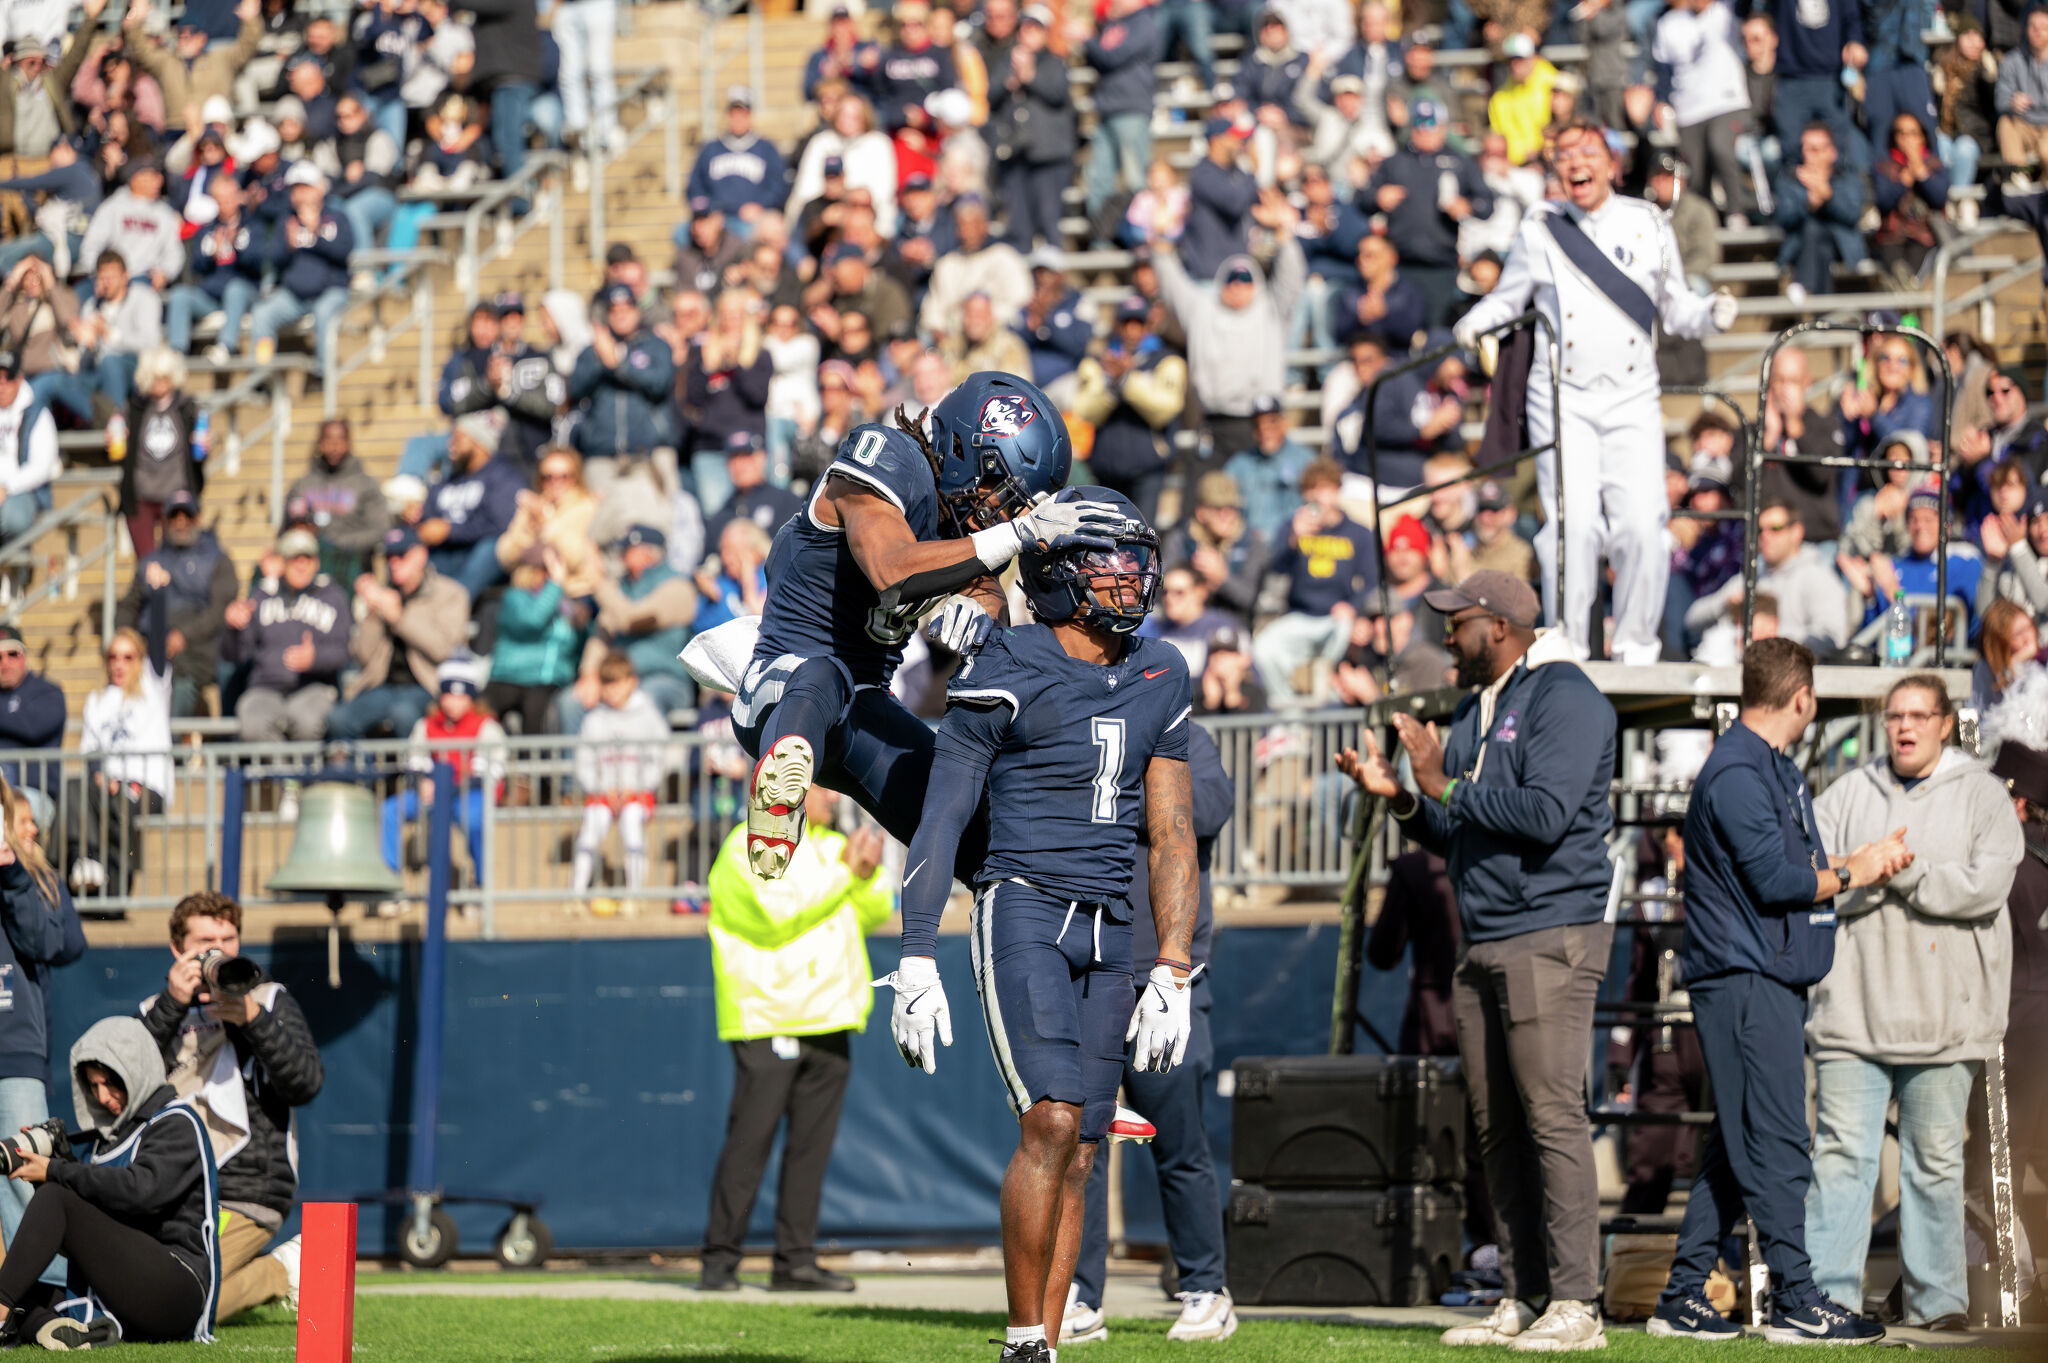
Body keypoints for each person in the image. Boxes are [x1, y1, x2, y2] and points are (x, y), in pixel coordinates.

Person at [882, 488, 1197, 1363]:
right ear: (1059, 574)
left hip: (1113, 923)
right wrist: (916, 955)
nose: (1128, 577)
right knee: (1052, 1121)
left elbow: (1171, 830)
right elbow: (941, 817)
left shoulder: (1161, 668)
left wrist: (1172, 966)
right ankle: (1024, 1342)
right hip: (1022, 903)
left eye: (1135, 560)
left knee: (1087, 1149)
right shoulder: (1006, 660)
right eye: (1108, 560)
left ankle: (1048, 1345)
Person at [1336, 570, 1618, 1352]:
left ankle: (1578, 1304)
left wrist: (1443, 782)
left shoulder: (1567, 697)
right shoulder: (1473, 709)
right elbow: (1457, 826)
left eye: (1454, 624)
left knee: (1554, 1119)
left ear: (1497, 626)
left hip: (1550, 931)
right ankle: (1525, 1293)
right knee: (1497, 1128)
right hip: (1486, 933)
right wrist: (1400, 794)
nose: (1445, 639)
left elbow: (1545, 814)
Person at [723, 372, 1112, 879]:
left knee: (989, 843)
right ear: (961, 448)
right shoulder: (888, 456)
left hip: (864, 710)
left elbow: (987, 595)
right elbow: (891, 570)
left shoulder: (959, 526)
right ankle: (776, 803)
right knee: (822, 674)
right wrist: (1015, 535)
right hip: (782, 693)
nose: (999, 512)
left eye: (1015, 507)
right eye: (1000, 491)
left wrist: (981, 623)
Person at [1646, 638, 1901, 1344]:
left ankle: (1681, 1294)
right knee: (1780, 1138)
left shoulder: (1769, 767)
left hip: (1768, 976)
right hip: (1743, 980)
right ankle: (1796, 1297)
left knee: (1734, 1142)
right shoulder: (1736, 771)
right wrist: (1855, 874)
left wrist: (1859, 863)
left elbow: (1792, 868)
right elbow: (1778, 881)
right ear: (1803, 698)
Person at [1456, 120, 1738, 664]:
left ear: (1611, 163)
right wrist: (1475, 322)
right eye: (1564, 154)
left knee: (1642, 529)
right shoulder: (1540, 229)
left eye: (1587, 152)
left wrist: (1712, 316)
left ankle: (1636, 645)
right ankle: (1569, 645)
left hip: (1632, 396)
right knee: (1572, 529)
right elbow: (1507, 300)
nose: (1576, 163)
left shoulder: (1647, 222)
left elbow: (1678, 309)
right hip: (1563, 398)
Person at [1805, 674, 2021, 1331]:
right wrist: (1861, 864)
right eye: (1895, 715)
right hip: (1852, 1014)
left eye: (1919, 716)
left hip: (1947, 1020)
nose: (1904, 726)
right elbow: (1808, 867)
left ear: (1945, 723)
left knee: (1936, 1166)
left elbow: (1985, 887)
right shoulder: (1848, 790)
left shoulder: (1981, 794)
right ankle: (1826, 1301)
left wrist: (1906, 869)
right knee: (1843, 1160)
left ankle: (1939, 1304)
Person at [1068, 723, 1235, 1344]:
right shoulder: (1082, 727)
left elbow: (1209, 808)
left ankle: (1205, 1288)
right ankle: (1079, 1297)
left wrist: (1111, 789)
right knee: (1079, 1144)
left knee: (1180, 1143)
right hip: (1092, 967)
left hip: (1167, 973)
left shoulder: (1190, 736)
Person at [699, 782, 892, 1292]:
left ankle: (795, 1262)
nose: (836, 796)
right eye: (825, 785)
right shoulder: (747, 845)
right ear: (792, 792)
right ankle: (719, 1262)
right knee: (749, 1145)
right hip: (770, 1018)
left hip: (830, 1019)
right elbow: (779, 911)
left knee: (811, 1151)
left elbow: (871, 911)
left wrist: (868, 875)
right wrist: (848, 872)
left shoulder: (831, 848)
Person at [138, 892, 321, 1323]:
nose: (218, 951)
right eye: (205, 941)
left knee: (179, 1306)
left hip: (244, 1193)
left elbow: (305, 1083)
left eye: (229, 938)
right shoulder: (152, 1011)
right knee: (139, 1288)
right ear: (177, 950)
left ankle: (282, 1271)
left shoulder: (269, 999)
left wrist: (251, 1018)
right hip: (170, 1192)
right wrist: (171, 1007)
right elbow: (121, 1097)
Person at [0, 1015, 219, 1347]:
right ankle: (56, 1329)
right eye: (94, 1085)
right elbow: (87, 1223)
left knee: (57, 1197)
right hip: (127, 1292)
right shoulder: (108, 1139)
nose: (103, 1097)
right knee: (21, 1282)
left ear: (136, 1068)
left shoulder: (177, 1121)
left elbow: (140, 1192)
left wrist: (56, 1171)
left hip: (177, 1291)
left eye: (112, 1082)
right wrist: (47, 1171)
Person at [0, 777, 84, 1285]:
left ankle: (48, 1290)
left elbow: (57, 943)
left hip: (12, 1049)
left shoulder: (32, 877)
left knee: (22, 1174)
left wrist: (9, 873)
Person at [325, 525, 470, 742]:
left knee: (402, 714)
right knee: (338, 719)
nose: (394, 563)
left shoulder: (450, 593)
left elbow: (445, 650)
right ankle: (368, 775)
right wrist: (373, 613)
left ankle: (412, 776)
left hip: (428, 686)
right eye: (389, 557)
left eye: (401, 555)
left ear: (420, 555)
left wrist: (399, 618)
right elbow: (363, 655)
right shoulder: (383, 594)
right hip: (381, 686)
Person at [1250, 458, 1375, 706]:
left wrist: (1353, 607)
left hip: (1337, 619)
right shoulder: (1291, 527)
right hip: (1300, 616)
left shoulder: (1359, 533)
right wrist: (1294, 540)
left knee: (1343, 631)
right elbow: (1275, 571)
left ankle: (1328, 700)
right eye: (1312, 490)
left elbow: (1372, 582)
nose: (1319, 497)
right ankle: (1289, 720)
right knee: (1264, 648)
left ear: (1338, 492)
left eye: (1326, 489)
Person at [223, 526, 351, 750]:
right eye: (294, 559)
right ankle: (286, 779)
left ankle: (294, 781)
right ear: (282, 562)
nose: (301, 565)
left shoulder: (334, 597)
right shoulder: (261, 596)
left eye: (307, 558)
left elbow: (345, 650)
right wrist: (233, 628)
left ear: (317, 563)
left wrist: (316, 658)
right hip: (265, 687)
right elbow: (236, 655)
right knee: (252, 724)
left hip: (314, 687)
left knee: (306, 721)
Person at [380, 655, 505, 880]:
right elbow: (414, 761)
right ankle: (390, 881)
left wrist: (447, 789)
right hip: (431, 793)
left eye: (461, 696)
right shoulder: (426, 724)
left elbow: (487, 774)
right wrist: (422, 782)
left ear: (472, 697)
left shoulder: (487, 727)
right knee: (390, 810)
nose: (453, 702)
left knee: (474, 819)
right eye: (448, 694)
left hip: (469, 795)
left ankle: (480, 883)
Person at [114, 491, 235, 720]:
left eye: (186, 516)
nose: (180, 523)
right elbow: (128, 607)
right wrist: (129, 640)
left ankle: (170, 747)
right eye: (174, 517)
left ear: (197, 519)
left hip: (197, 650)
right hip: (149, 648)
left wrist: (184, 635)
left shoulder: (217, 559)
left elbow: (219, 610)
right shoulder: (150, 562)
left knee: (180, 686)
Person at [1071, 295, 1185, 529]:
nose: (1132, 331)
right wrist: (1113, 386)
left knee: (1142, 538)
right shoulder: (1097, 361)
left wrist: (1125, 381)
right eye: (1126, 323)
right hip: (1106, 470)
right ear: (1117, 325)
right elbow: (1084, 410)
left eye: (1138, 323)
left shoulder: (1167, 360)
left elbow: (1165, 409)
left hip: (1148, 470)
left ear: (1148, 326)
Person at [569, 652, 672, 893]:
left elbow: (659, 758)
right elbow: (584, 761)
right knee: (589, 832)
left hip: (638, 793)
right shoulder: (593, 720)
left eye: (617, 683)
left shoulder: (649, 715)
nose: (612, 690)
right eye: (607, 683)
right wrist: (600, 788)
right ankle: (575, 893)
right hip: (602, 793)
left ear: (632, 681)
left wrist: (637, 787)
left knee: (631, 826)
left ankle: (634, 894)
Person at [248, 162, 351, 376]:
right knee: (262, 314)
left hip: (331, 290)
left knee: (324, 313)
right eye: (295, 189)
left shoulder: (336, 216)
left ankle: (325, 375)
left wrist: (316, 233)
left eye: (305, 188)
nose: (300, 194)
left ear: (320, 188)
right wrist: (288, 246)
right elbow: (273, 259)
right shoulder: (286, 221)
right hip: (295, 295)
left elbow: (344, 251)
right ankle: (261, 376)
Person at [568, 284, 677, 483]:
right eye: (614, 310)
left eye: (626, 309)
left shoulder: (656, 346)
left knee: (655, 513)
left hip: (649, 453)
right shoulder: (593, 351)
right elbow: (575, 389)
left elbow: (660, 383)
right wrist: (599, 361)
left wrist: (619, 366)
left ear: (637, 310)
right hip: (602, 454)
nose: (621, 315)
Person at [412, 410, 524, 603]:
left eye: (458, 438)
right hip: (444, 553)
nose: (450, 445)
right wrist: (417, 518)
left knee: (493, 547)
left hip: (478, 552)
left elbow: (501, 524)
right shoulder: (449, 478)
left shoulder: (502, 475)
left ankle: (452, 606)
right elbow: (430, 515)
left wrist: (450, 530)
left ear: (479, 442)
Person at [284, 418, 389, 590]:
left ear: (348, 443)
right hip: (309, 573)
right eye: (328, 440)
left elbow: (380, 529)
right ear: (319, 443)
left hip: (352, 571)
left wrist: (338, 544)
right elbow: (286, 529)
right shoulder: (302, 485)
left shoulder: (366, 484)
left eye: (340, 440)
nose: (334, 446)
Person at [1773, 124, 1867, 301]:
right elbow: (1784, 218)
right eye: (1809, 149)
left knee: (1816, 232)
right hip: (1802, 247)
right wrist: (1808, 204)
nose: (1814, 155)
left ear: (1832, 152)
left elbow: (1853, 214)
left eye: (1819, 148)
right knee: (1814, 232)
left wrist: (1828, 197)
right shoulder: (1789, 180)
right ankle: (1822, 313)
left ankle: (1804, 285)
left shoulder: (1847, 177)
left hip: (1842, 245)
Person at [0, 627, 64, 822]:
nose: (5, 663)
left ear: (25, 657)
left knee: (10, 811)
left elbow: (32, 728)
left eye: (13, 654)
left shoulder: (48, 692)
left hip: (35, 794)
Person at [0, 347, 58, 552]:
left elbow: (41, 468)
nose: (3, 385)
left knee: (12, 517)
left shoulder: (37, 414)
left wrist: (6, 487)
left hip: (24, 493)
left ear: (20, 379)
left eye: (9, 378)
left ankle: (18, 575)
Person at [1996, 8, 2048, 184]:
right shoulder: (2012, 60)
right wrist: (2012, 101)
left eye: (2043, 27)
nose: (2037, 31)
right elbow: (2000, 99)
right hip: (2024, 124)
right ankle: (2021, 178)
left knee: (2046, 149)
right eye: (2032, 26)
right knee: (2005, 123)